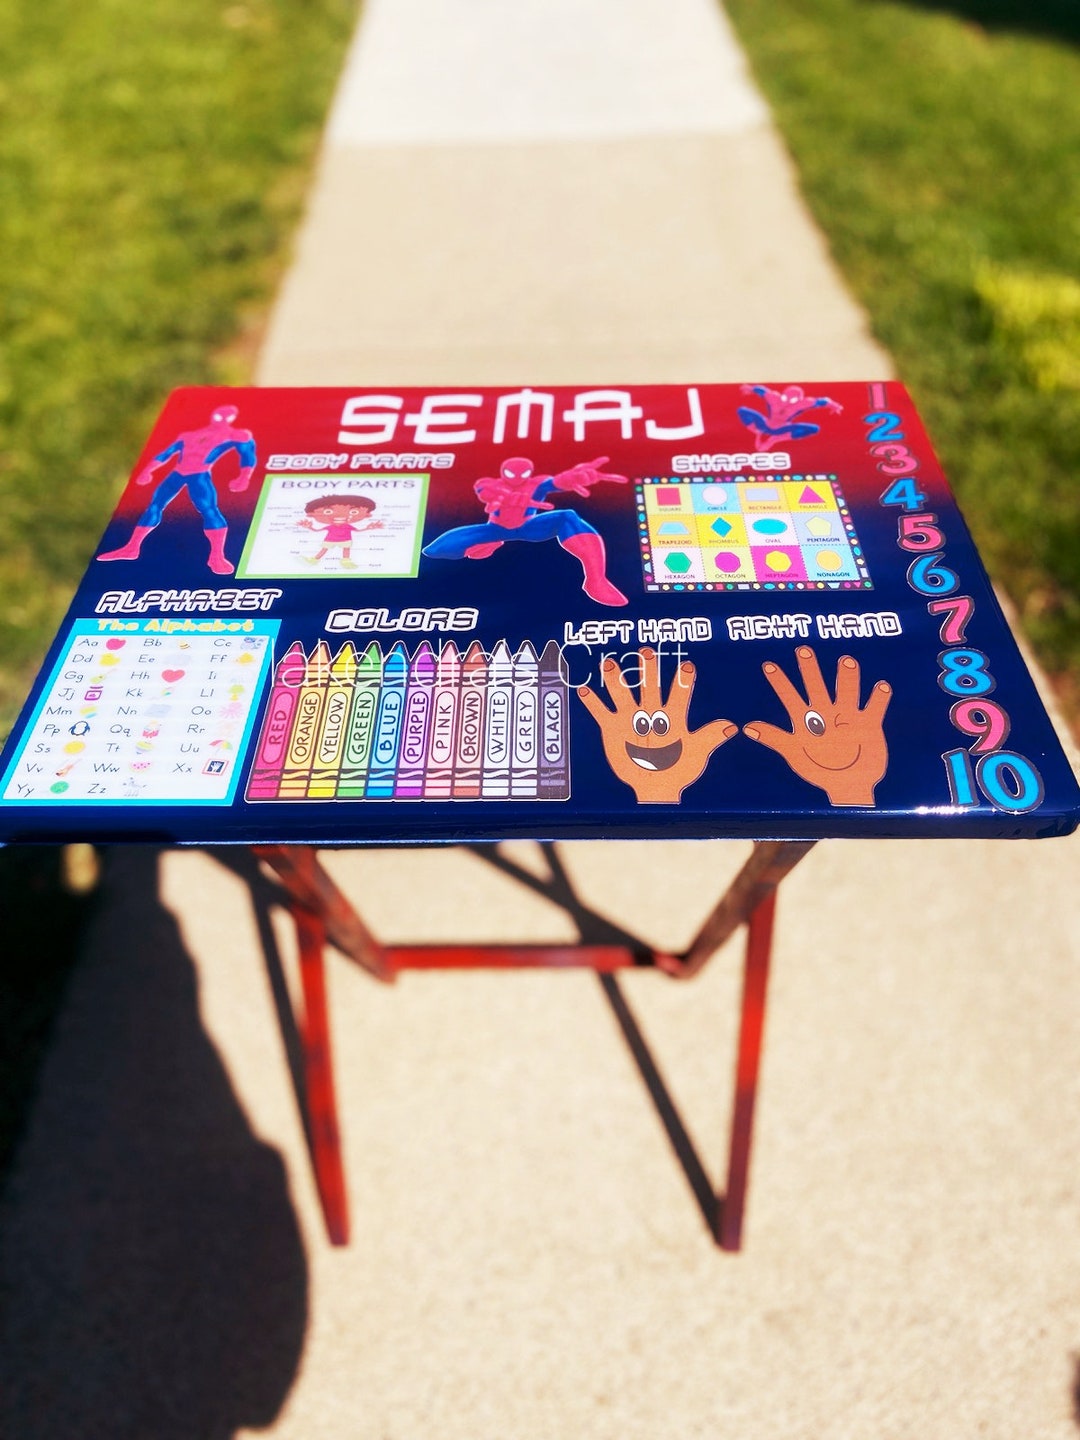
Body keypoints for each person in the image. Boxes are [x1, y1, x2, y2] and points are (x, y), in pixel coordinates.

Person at [98, 405, 256, 574]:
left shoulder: (235, 435)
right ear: (213, 415)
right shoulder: (188, 436)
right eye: (220, 415)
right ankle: (131, 548)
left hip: (199, 475)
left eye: (227, 416)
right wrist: (147, 471)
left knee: (209, 510)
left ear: (233, 417)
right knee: (154, 506)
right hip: (177, 473)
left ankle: (216, 556)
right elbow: (166, 454)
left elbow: (248, 454)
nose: (222, 419)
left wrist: (244, 477)